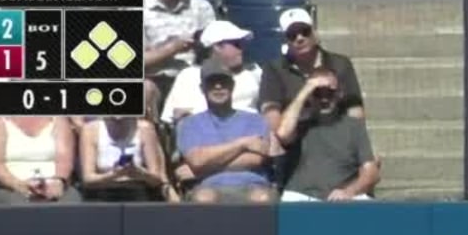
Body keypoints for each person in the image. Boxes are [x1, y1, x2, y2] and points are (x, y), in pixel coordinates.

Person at [175, 58, 280, 203]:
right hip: (208, 186)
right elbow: (197, 160)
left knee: (262, 198)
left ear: (232, 85)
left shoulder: (255, 120)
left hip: (253, 185)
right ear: (202, 88)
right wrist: (241, 144)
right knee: (204, 198)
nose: (218, 87)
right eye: (212, 83)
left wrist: (202, 168)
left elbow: (255, 159)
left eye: (223, 82)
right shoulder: (189, 124)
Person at [275, 68, 380, 202]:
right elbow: (282, 134)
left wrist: (348, 192)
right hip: (301, 195)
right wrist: (307, 89)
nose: (324, 99)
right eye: (318, 93)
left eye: (330, 93)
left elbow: (371, 173)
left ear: (339, 94)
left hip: (342, 196)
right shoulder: (300, 123)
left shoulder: (354, 126)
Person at [0, 115, 77, 204]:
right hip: (9, 188)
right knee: (17, 204)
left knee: (72, 198)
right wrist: (21, 186)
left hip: (52, 186)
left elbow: (64, 160)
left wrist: (58, 182)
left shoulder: (57, 119)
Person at [78, 115, 177, 202]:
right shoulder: (90, 130)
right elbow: (88, 179)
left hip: (137, 192)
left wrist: (139, 173)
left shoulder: (145, 128)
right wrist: (114, 175)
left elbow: (156, 179)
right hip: (101, 193)